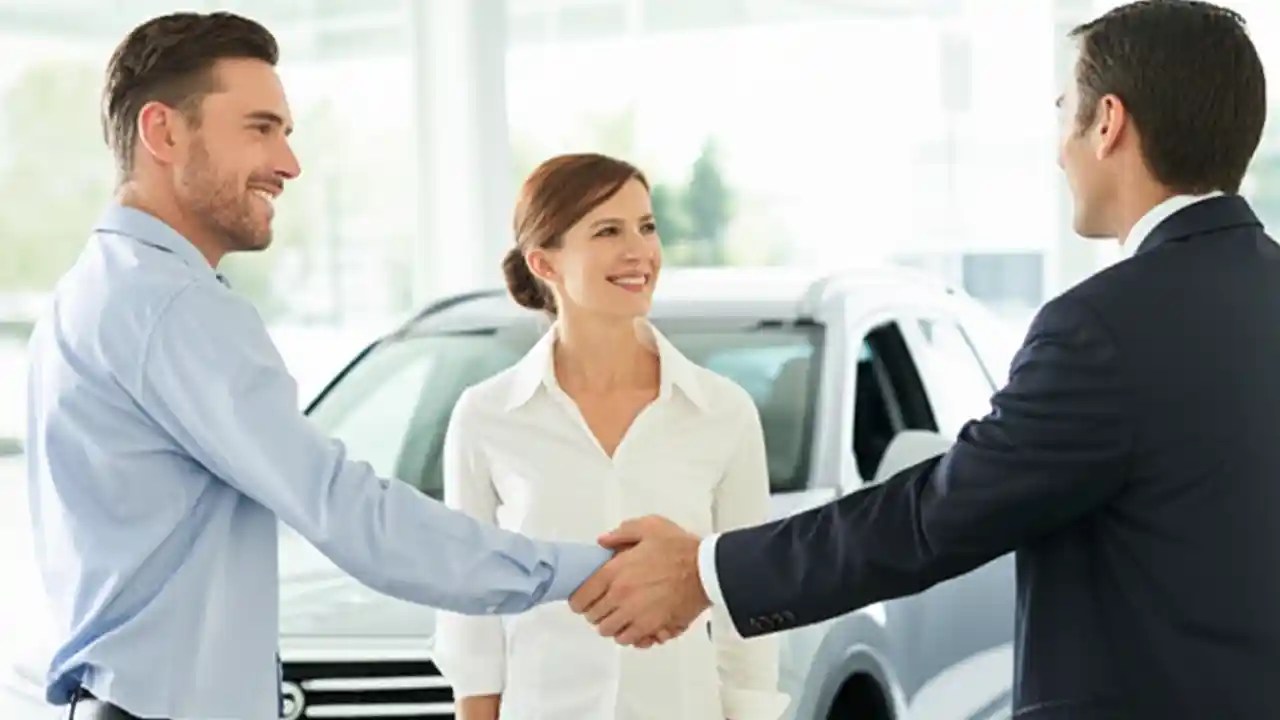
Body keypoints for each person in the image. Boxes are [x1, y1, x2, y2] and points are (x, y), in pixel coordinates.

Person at [571, 2, 1280, 718]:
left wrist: (705, 570)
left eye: (1064, 110)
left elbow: (937, 516)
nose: (1056, 146)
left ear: (1107, 123)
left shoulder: (1101, 328)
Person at [25, 13, 610, 720]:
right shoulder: (173, 305)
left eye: (286, 134)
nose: (288, 163)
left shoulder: (90, 289)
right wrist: (581, 571)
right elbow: (345, 510)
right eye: (259, 128)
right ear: (163, 132)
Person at [432, 153, 788, 720]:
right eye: (607, 231)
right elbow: (470, 610)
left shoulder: (722, 412)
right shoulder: (487, 416)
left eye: (647, 227)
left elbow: (750, 604)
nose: (638, 251)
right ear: (544, 264)